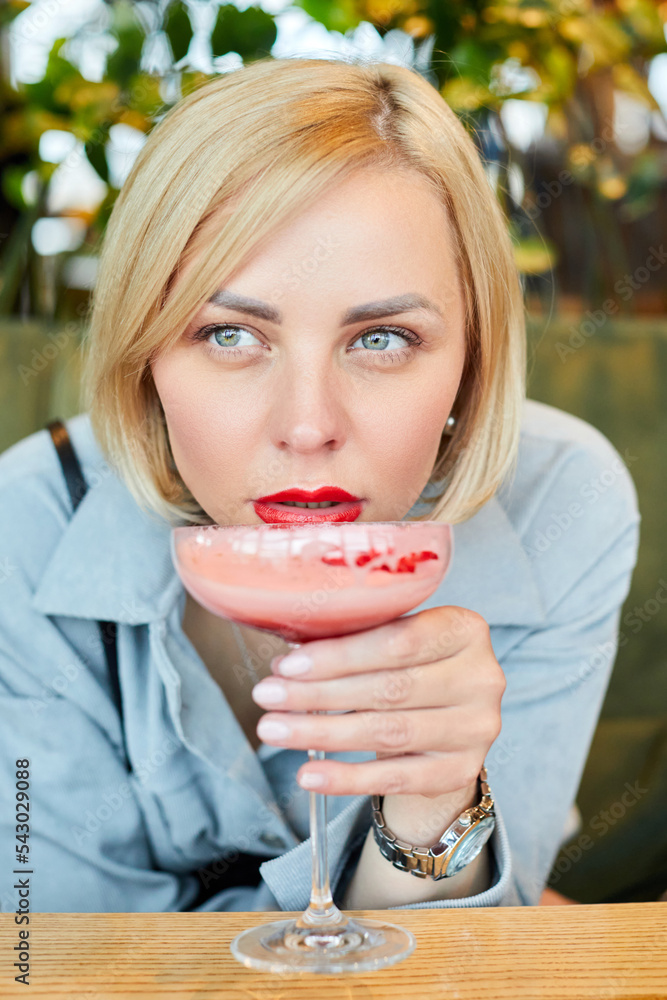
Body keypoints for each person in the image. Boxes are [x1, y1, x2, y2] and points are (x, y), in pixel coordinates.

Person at [0, 56, 640, 914]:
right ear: (143, 356)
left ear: (473, 359)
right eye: (229, 335)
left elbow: (466, 951)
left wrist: (434, 808)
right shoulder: (24, 526)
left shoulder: (561, 502)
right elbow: (48, 945)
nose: (307, 426)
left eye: (381, 340)